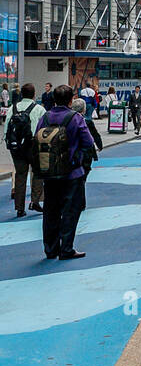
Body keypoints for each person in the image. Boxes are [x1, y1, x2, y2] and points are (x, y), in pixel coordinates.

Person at [32, 84, 96, 261]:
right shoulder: (75, 118)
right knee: (70, 211)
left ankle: (50, 249)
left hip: (49, 172)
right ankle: (66, 248)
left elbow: (36, 138)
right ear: (71, 100)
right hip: (72, 173)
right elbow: (88, 142)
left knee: (50, 211)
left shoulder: (44, 118)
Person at [5, 81, 44, 217]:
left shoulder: (12, 108)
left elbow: (6, 130)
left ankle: (19, 208)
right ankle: (36, 201)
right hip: (33, 145)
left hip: (16, 147)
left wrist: (10, 144)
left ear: (21, 94)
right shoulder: (39, 109)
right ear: (34, 95)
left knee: (20, 175)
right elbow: (44, 128)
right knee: (37, 173)